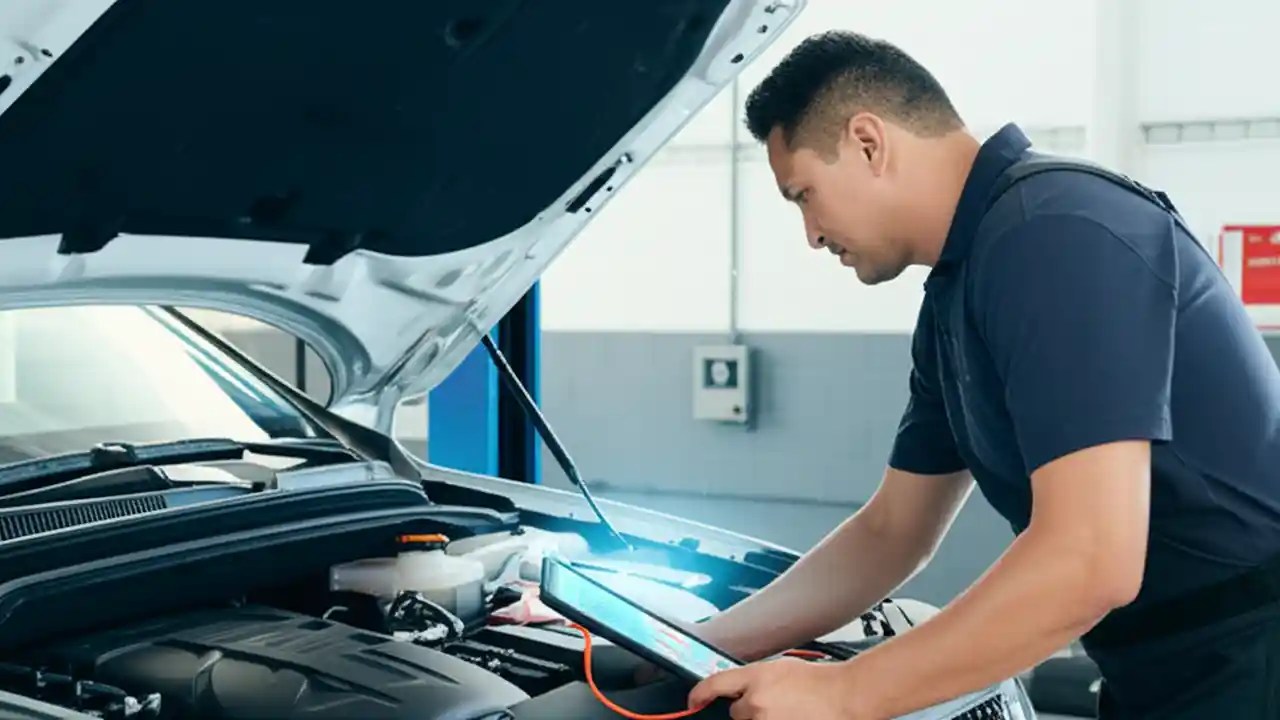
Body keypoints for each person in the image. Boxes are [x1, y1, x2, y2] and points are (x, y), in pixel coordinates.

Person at [661, 29, 1280, 719]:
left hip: (1253, 660)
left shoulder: (1053, 235)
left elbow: (1093, 559)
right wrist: (690, 646)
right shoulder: (961, 290)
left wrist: (846, 693)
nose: (810, 233)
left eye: (803, 193)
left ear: (869, 142)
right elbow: (891, 532)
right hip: (1167, 666)